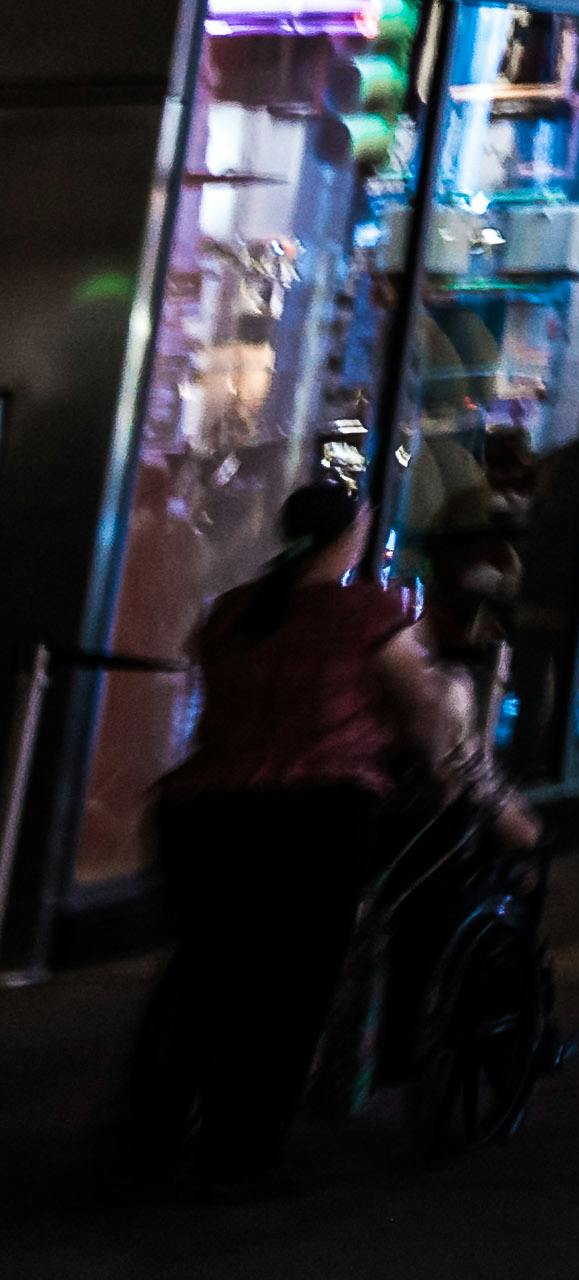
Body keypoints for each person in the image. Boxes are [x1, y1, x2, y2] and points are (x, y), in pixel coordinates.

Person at [95, 475, 519, 1197]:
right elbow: (424, 718)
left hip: (200, 813)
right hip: (313, 814)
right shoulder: (368, 613)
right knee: (291, 981)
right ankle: (241, 1142)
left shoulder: (232, 612)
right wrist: (472, 788)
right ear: (352, 536)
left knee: (208, 965)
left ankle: (157, 1117)